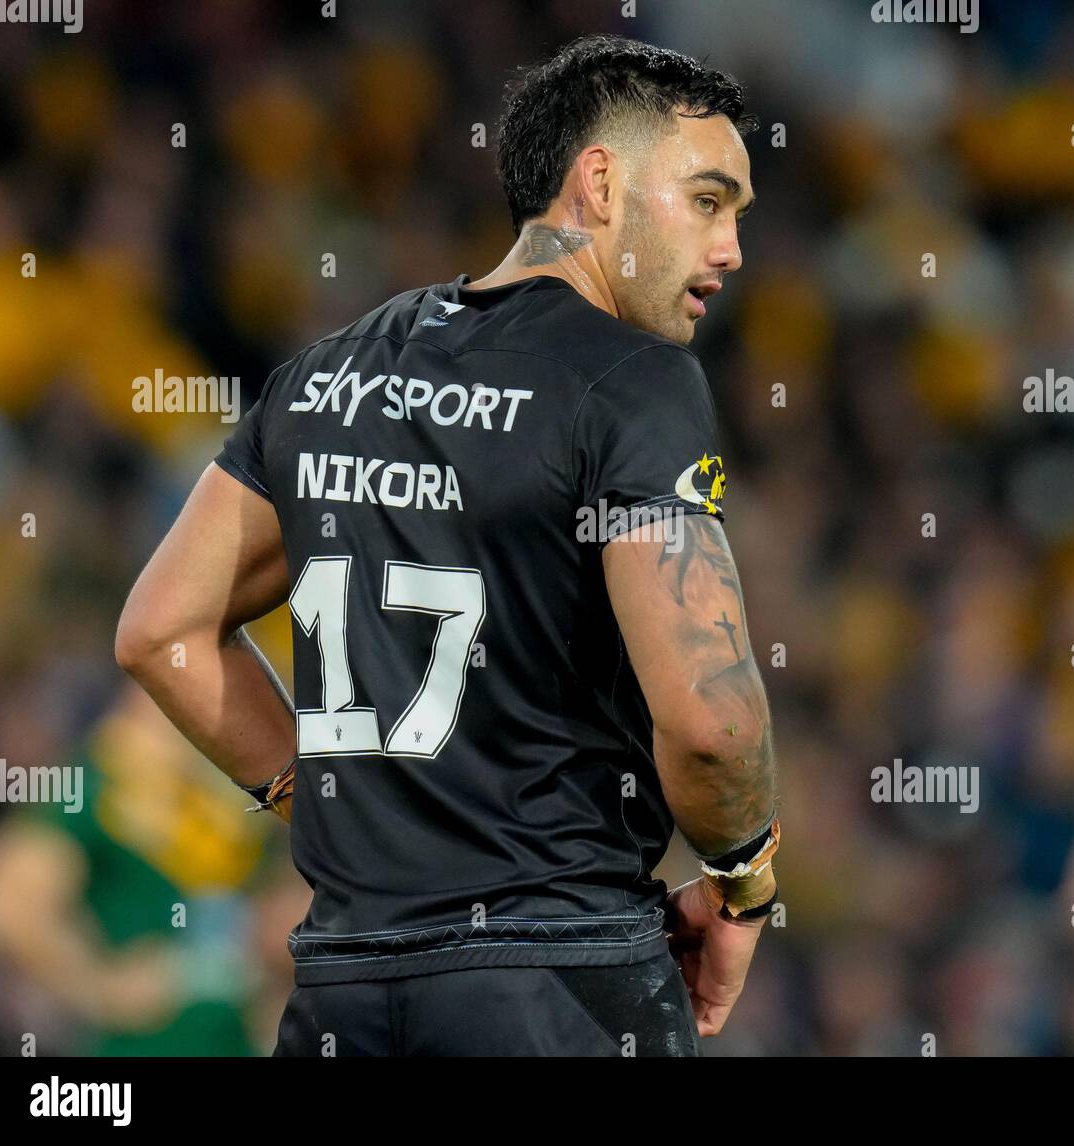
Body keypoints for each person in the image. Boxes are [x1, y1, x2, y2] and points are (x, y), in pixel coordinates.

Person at [115, 33, 781, 1056]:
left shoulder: (326, 377)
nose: (732, 247)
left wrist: (327, 803)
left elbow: (162, 630)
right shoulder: (631, 383)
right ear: (597, 183)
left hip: (343, 985)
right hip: (559, 979)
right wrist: (740, 886)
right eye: (707, 200)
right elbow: (710, 729)